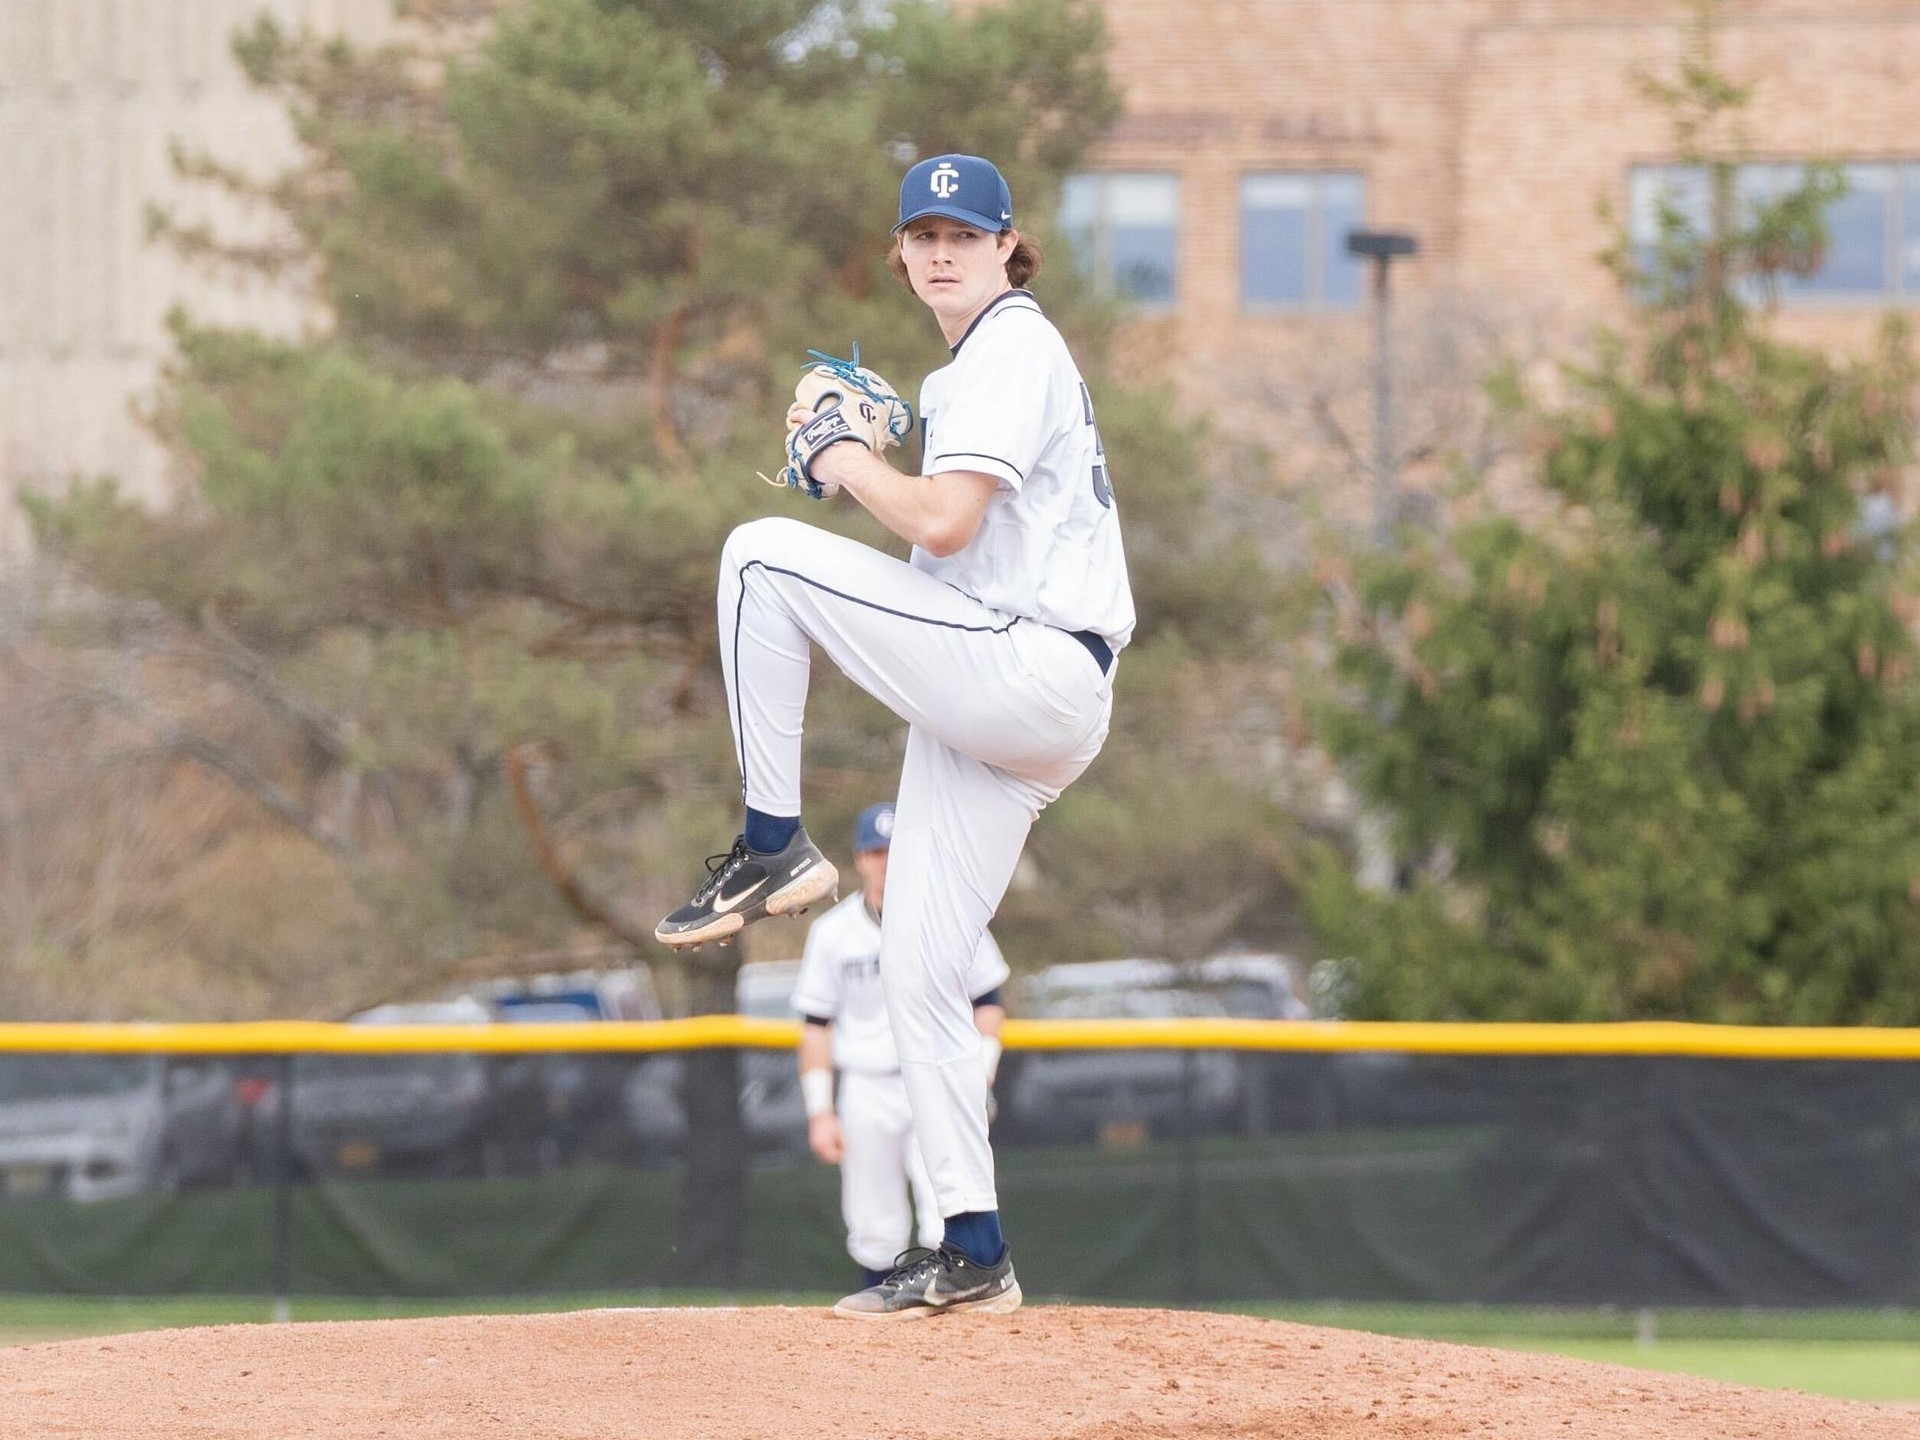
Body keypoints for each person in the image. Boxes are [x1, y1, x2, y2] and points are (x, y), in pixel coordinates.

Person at [655, 152, 1134, 1319]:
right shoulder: (968, 371)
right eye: (921, 235)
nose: (939, 252)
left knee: (757, 555)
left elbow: (949, 522)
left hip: (1028, 664)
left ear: (1008, 245)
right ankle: (974, 1249)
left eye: (962, 235)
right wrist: (877, 452)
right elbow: (947, 529)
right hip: (1013, 697)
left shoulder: (1014, 342)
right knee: (924, 972)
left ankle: (775, 841)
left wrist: (840, 457)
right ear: (901, 251)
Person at [791, 802, 1009, 1292]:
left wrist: (981, 1074)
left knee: (946, 1209)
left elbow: (990, 1002)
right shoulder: (833, 933)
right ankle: (885, 1331)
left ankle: (949, 1323)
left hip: (935, 1079)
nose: (886, 861)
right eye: (875, 851)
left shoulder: (950, 919)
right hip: (867, 1086)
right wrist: (820, 1112)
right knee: (873, 1223)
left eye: (896, 850)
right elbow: (815, 1025)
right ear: (860, 860)